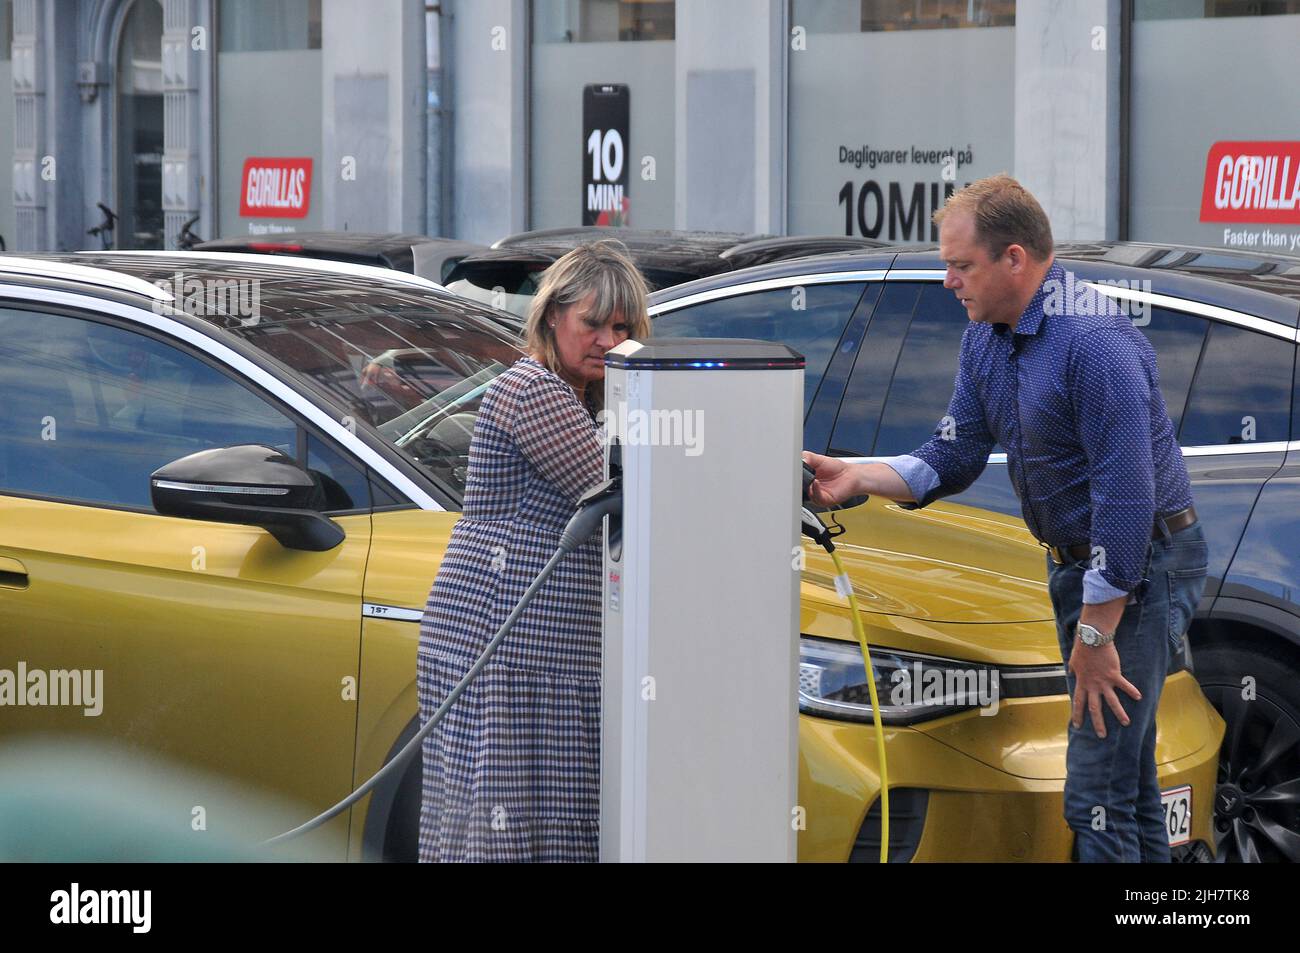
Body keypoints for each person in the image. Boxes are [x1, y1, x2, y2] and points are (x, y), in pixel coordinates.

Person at [803, 174, 1208, 862]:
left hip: (1139, 571)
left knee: (1096, 796)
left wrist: (1095, 629)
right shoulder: (987, 338)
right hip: (1085, 568)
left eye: (960, 266)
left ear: (1014, 259)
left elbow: (1127, 500)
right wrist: (857, 476)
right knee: (1129, 785)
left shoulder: (1095, 343)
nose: (947, 282)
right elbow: (951, 454)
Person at [417, 240, 651, 862]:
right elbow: (628, 492)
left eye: (622, 327)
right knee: (507, 827)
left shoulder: (588, 400)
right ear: (552, 317)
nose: (608, 340)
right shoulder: (534, 389)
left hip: (546, 647)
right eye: (592, 323)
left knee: (538, 824)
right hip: (507, 644)